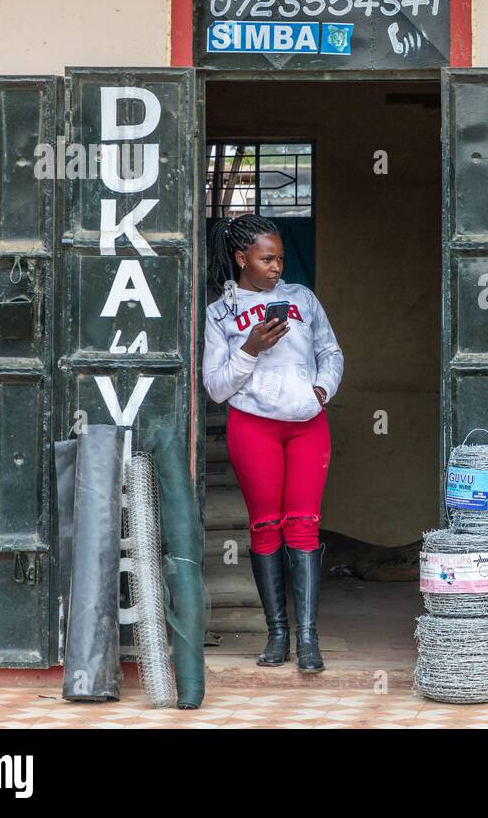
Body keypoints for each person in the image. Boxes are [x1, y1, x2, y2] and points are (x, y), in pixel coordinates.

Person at [202, 214, 344, 673]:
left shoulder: (302, 298)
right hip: (253, 426)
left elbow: (330, 351)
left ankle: (308, 638)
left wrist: (322, 389)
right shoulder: (221, 313)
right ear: (242, 258)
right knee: (265, 527)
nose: (277, 267)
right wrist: (250, 349)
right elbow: (215, 387)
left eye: (280, 258)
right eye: (267, 259)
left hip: (307, 425)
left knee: (304, 526)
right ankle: (277, 633)